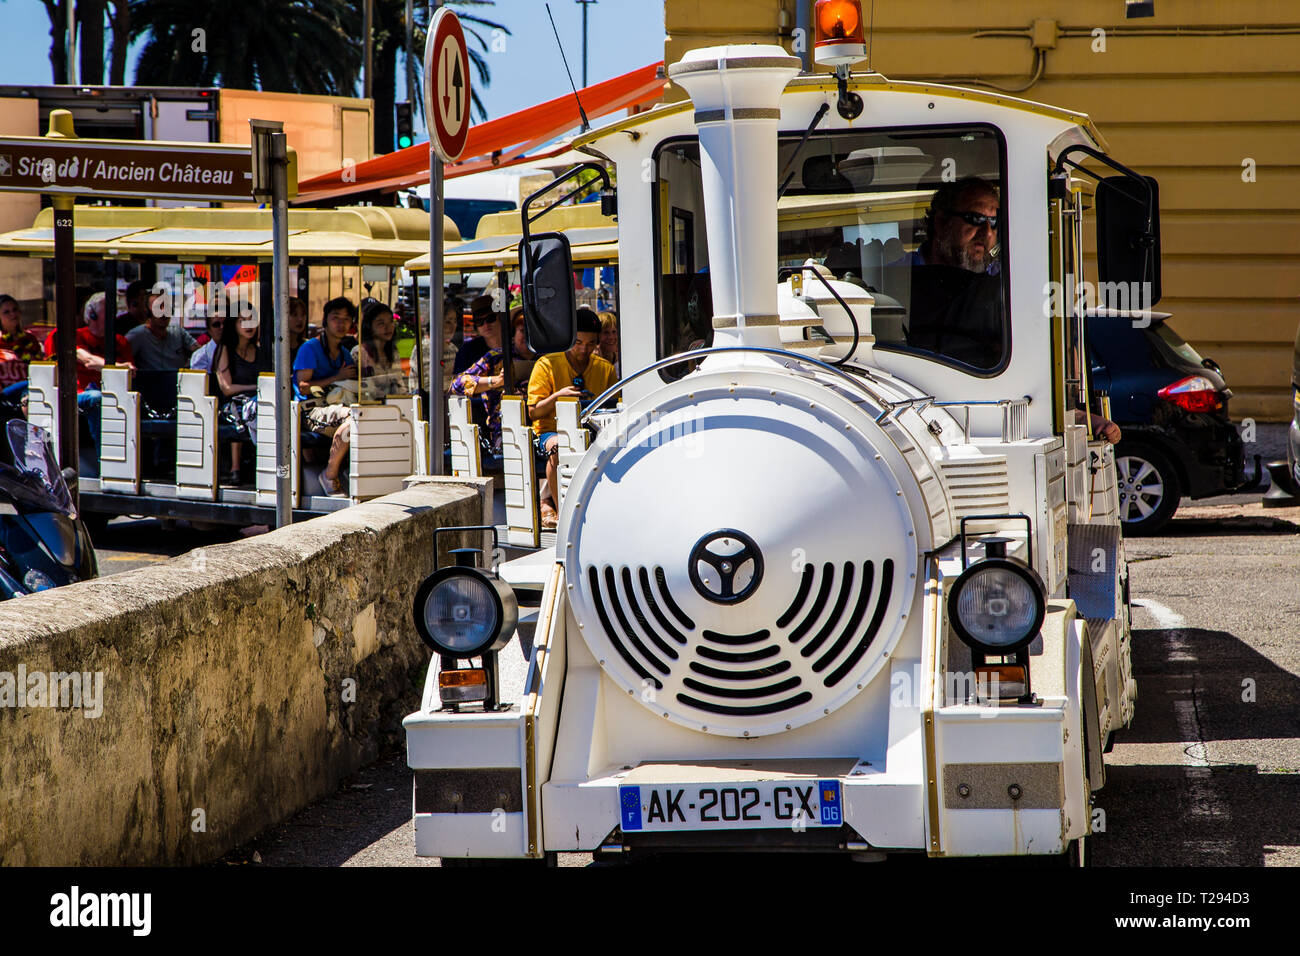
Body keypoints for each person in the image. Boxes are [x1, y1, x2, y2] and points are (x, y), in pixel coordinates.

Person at [527, 309, 617, 529]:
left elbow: (614, 408)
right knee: (560, 447)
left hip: (592, 431)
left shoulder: (605, 369)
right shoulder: (546, 364)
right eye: (577, 343)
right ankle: (564, 513)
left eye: (590, 344)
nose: (583, 350)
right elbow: (533, 412)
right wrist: (558, 397)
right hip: (549, 432)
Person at [42, 292, 134, 448]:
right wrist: (118, 367)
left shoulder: (120, 341)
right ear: (92, 314)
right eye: (108, 311)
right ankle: (104, 460)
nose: (113, 315)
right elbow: (88, 361)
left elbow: (131, 371)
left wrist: (113, 368)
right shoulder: (72, 336)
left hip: (115, 395)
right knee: (97, 397)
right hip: (77, 394)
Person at [294, 297, 357, 496]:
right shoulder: (309, 348)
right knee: (353, 418)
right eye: (336, 318)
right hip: (310, 411)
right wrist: (336, 377)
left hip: (337, 408)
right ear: (325, 320)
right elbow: (303, 387)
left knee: (364, 416)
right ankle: (329, 474)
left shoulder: (345, 353)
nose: (341, 324)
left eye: (346, 319)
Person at [449, 308, 534, 455]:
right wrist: (495, 381)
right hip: (506, 431)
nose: (528, 336)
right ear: (513, 334)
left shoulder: (549, 359)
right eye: (522, 331)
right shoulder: (497, 356)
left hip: (544, 428)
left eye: (533, 331)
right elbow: (457, 385)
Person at [211, 313, 267, 485]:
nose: (249, 325)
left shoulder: (260, 351)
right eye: (242, 320)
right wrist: (256, 388)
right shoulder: (225, 349)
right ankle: (236, 468)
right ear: (233, 324)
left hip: (257, 401)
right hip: (231, 405)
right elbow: (227, 389)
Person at [126, 290, 198, 371]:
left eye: (166, 307)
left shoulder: (178, 332)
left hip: (178, 382)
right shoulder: (136, 336)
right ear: (148, 313)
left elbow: (198, 352)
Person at [354, 300, 410, 400]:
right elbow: (362, 390)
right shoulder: (359, 353)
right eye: (381, 324)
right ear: (369, 327)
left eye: (391, 322)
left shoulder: (393, 351)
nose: (388, 327)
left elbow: (399, 384)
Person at [0, 294, 43, 397]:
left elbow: (40, 366)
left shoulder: (30, 339)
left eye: (15, 310)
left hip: (30, 391)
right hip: (5, 394)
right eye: (7, 312)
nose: (13, 314)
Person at [452, 295, 495, 374]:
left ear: (500, 318)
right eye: (479, 321)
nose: (485, 325)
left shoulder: (514, 343)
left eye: (490, 319)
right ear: (475, 326)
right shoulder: (467, 351)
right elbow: (458, 381)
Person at [596, 309, 620, 375]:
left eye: (614, 332)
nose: (611, 337)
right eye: (606, 332)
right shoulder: (590, 362)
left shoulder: (623, 362)